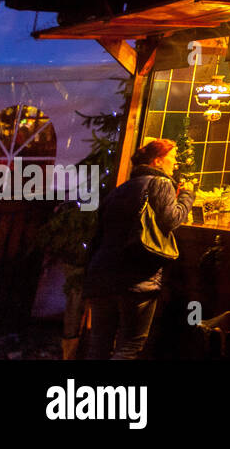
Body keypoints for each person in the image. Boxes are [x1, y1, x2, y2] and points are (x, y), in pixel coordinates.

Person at [83, 138, 195, 359]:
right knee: (130, 344)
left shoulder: (120, 189)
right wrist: (186, 195)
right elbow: (171, 220)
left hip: (101, 275)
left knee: (98, 347)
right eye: (172, 158)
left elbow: (97, 236)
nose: (175, 164)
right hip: (135, 276)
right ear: (157, 161)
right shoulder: (160, 183)